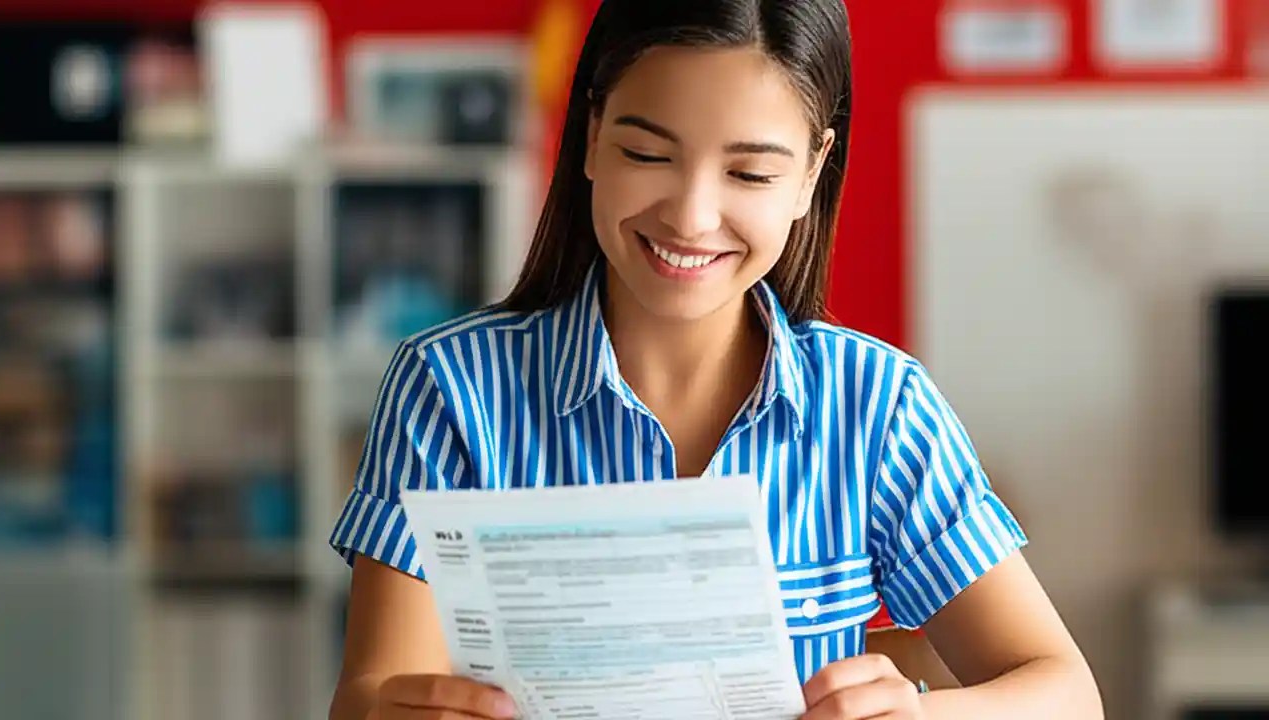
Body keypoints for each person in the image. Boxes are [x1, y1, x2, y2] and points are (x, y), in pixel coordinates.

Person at [327, 1, 1103, 718]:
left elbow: (1066, 692)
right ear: (592, 135)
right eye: (647, 152)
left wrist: (924, 715)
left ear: (809, 174)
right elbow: (368, 692)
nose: (692, 216)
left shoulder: (875, 405)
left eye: (749, 173)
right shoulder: (449, 388)